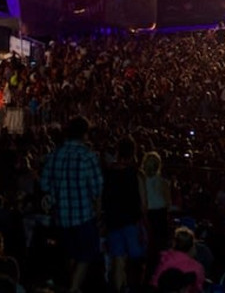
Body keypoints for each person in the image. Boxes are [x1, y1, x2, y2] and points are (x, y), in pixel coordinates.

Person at [39, 115, 103, 293]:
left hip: (61, 216)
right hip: (83, 215)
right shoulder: (87, 156)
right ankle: (74, 288)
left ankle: (73, 284)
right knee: (86, 254)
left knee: (71, 254)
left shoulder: (54, 155)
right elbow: (97, 188)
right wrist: (98, 212)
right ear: (85, 134)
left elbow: (44, 184)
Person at [102, 135, 148, 293]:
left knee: (117, 259)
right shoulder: (137, 174)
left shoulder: (108, 173)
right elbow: (144, 204)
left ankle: (118, 288)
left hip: (113, 220)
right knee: (135, 261)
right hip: (131, 222)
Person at [150, 227, 205, 293]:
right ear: (192, 247)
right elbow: (198, 289)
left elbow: (154, 283)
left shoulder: (164, 259)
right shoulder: (197, 267)